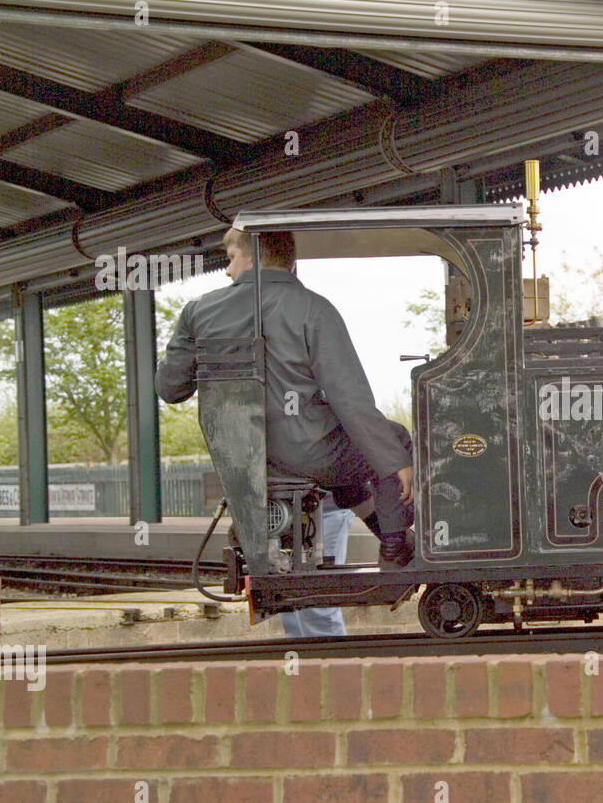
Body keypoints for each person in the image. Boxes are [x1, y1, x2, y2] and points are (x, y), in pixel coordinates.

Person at [156, 227, 414, 565]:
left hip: (241, 456)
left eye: (230, 258)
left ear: (253, 256)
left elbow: (170, 389)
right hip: (309, 452)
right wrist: (394, 462)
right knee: (393, 440)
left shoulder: (198, 311)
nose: (227, 269)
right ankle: (395, 545)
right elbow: (350, 400)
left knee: (351, 464)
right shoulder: (314, 308)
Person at [279, 493, 352, 638]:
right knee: (286, 596)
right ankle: (304, 655)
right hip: (285, 503)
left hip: (324, 500)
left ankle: (328, 656)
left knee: (316, 599)